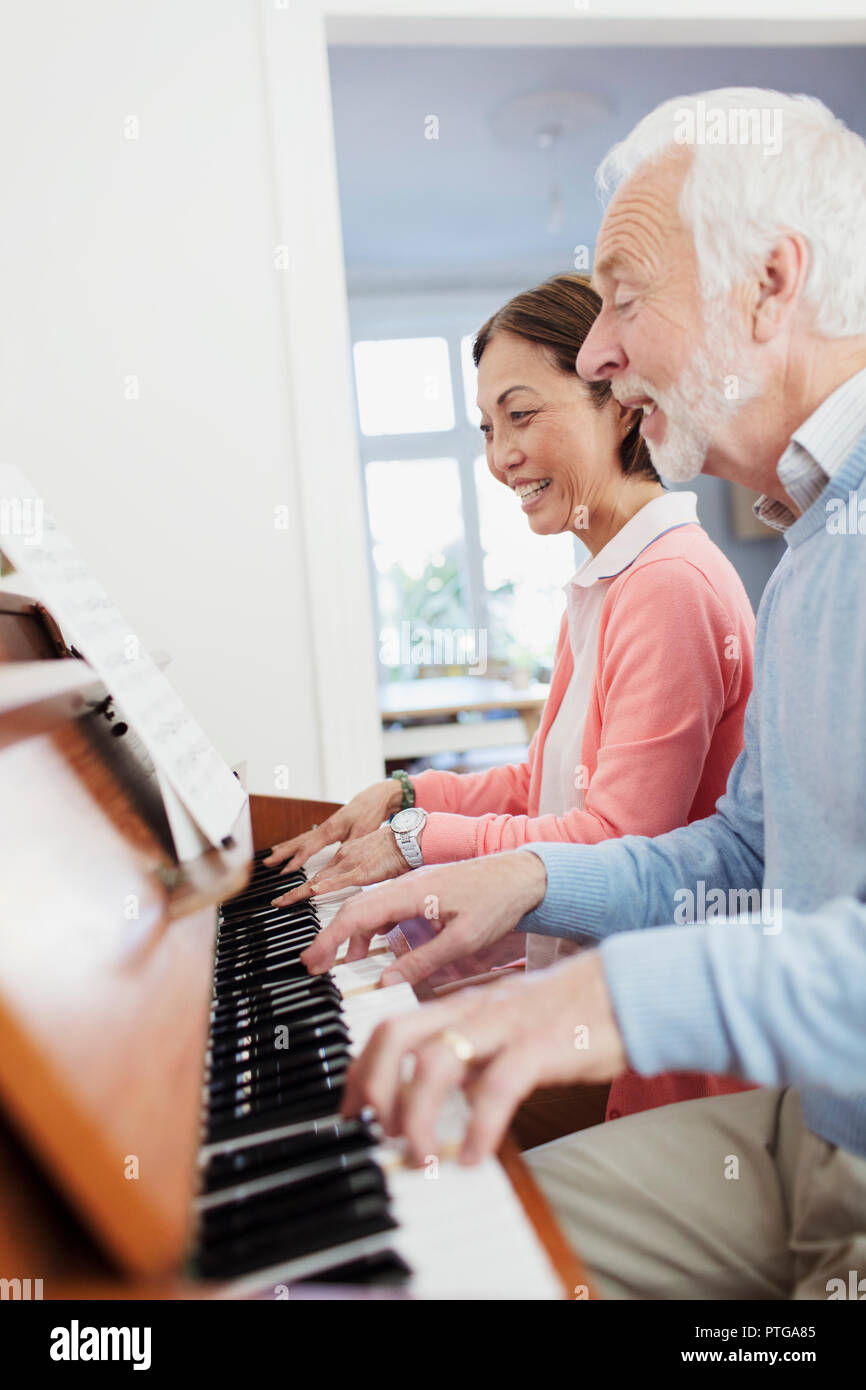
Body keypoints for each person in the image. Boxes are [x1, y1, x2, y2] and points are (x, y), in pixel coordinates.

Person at [310, 88, 866, 1300]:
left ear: (770, 283)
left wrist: (599, 987)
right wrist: (520, 876)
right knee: (402, 1260)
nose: (603, 355)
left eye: (622, 295)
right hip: (805, 1126)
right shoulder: (813, 542)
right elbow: (740, 852)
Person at [267, 274, 755, 1131]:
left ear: (621, 405)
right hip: (592, 1003)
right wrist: (409, 797)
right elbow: (546, 786)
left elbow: (615, 842)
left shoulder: (669, 584)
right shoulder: (610, 579)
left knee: (376, 1121)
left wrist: (418, 844)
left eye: (522, 416)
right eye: (488, 430)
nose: (499, 459)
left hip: (652, 1060)